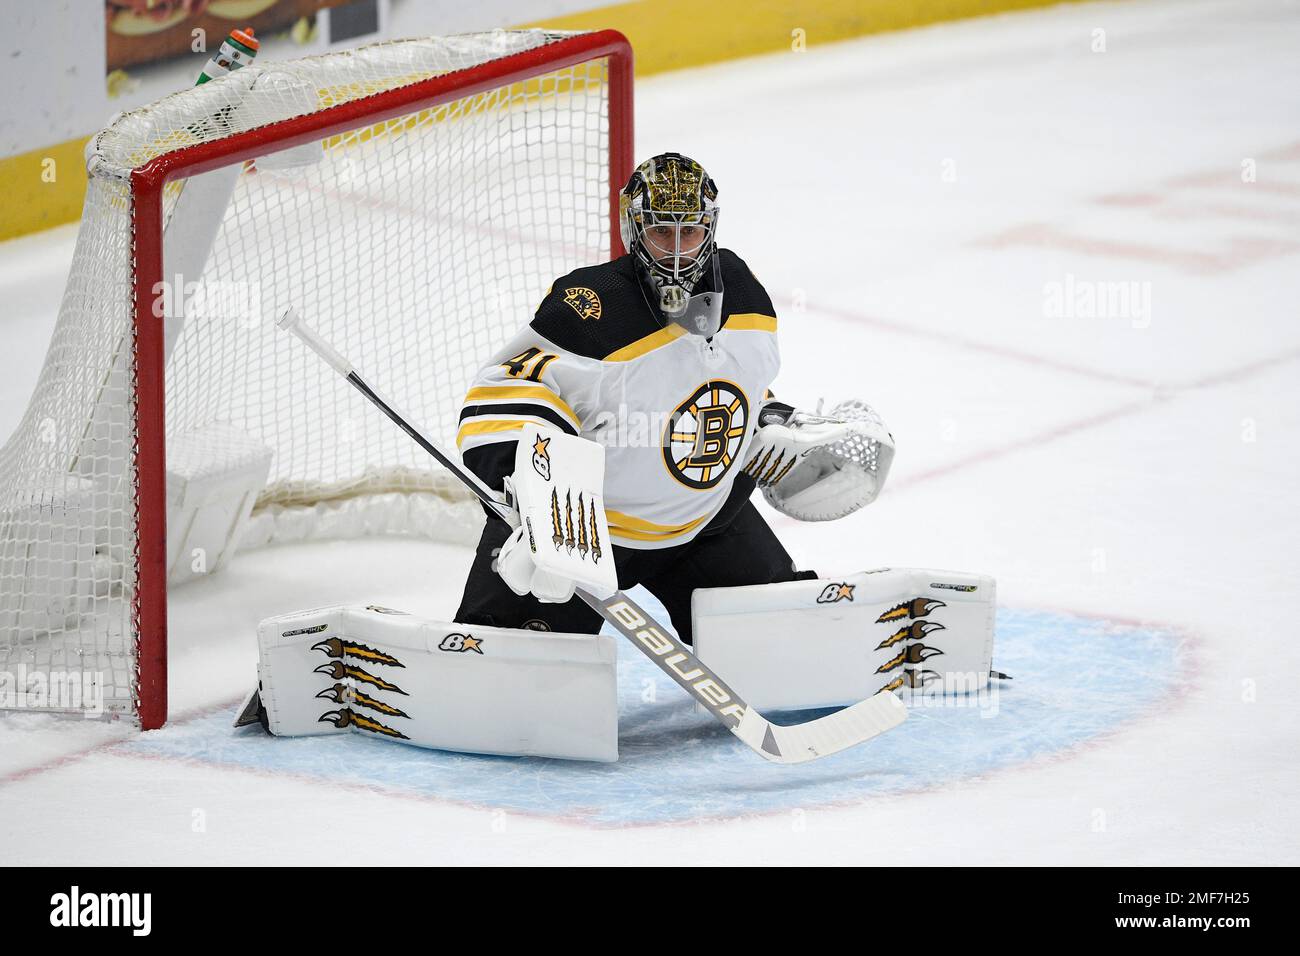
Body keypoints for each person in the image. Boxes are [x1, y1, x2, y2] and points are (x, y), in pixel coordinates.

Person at [454, 152, 889, 642]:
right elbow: (500, 399)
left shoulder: (744, 294)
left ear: (711, 226)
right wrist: (543, 512)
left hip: (708, 523)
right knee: (515, 675)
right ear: (634, 228)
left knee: (793, 648)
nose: (679, 250)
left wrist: (772, 423)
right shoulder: (592, 307)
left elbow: (737, 385)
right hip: (588, 536)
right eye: (663, 231)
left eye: (691, 231)